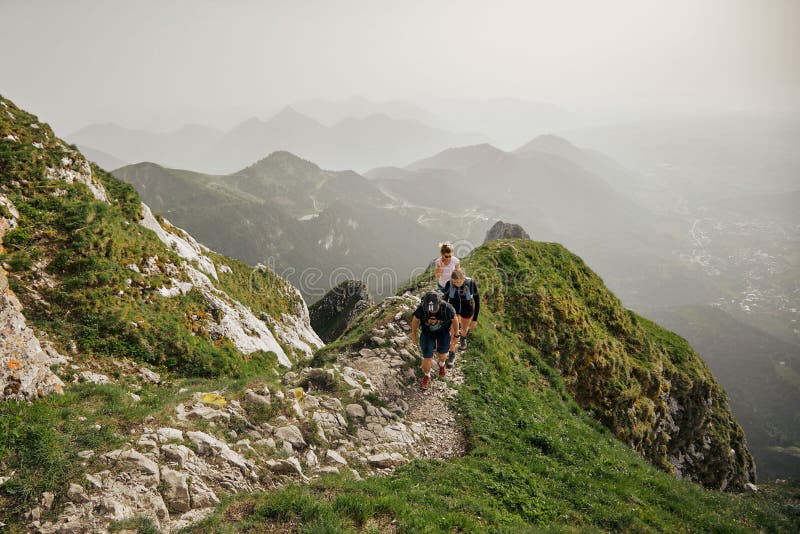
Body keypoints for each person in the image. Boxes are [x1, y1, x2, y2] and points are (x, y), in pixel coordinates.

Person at [411, 291, 458, 389]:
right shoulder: (421, 308)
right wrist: (414, 335)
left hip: (443, 334)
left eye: (435, 309)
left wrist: (456, 335)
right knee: (427, 357)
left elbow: (455, 320)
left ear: (440, 303)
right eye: (429, 310)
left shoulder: (447, 308)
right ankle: (427, 376)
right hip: (427, 334)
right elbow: (415, 321)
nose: (432, 312)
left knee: (442, 355)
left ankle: (442, 364)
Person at [442, 268, 480, 367]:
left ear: (463, 279)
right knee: (454, 332)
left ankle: (463, 338)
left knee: (464, 329)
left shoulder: (471, 283)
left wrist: (475, 319)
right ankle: (452, 353)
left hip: (467, 310)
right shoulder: (449, 284)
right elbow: (445, 300)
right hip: (454, 311)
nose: (456, 284)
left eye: (458, 281)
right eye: (454, 281)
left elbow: (477, 301)